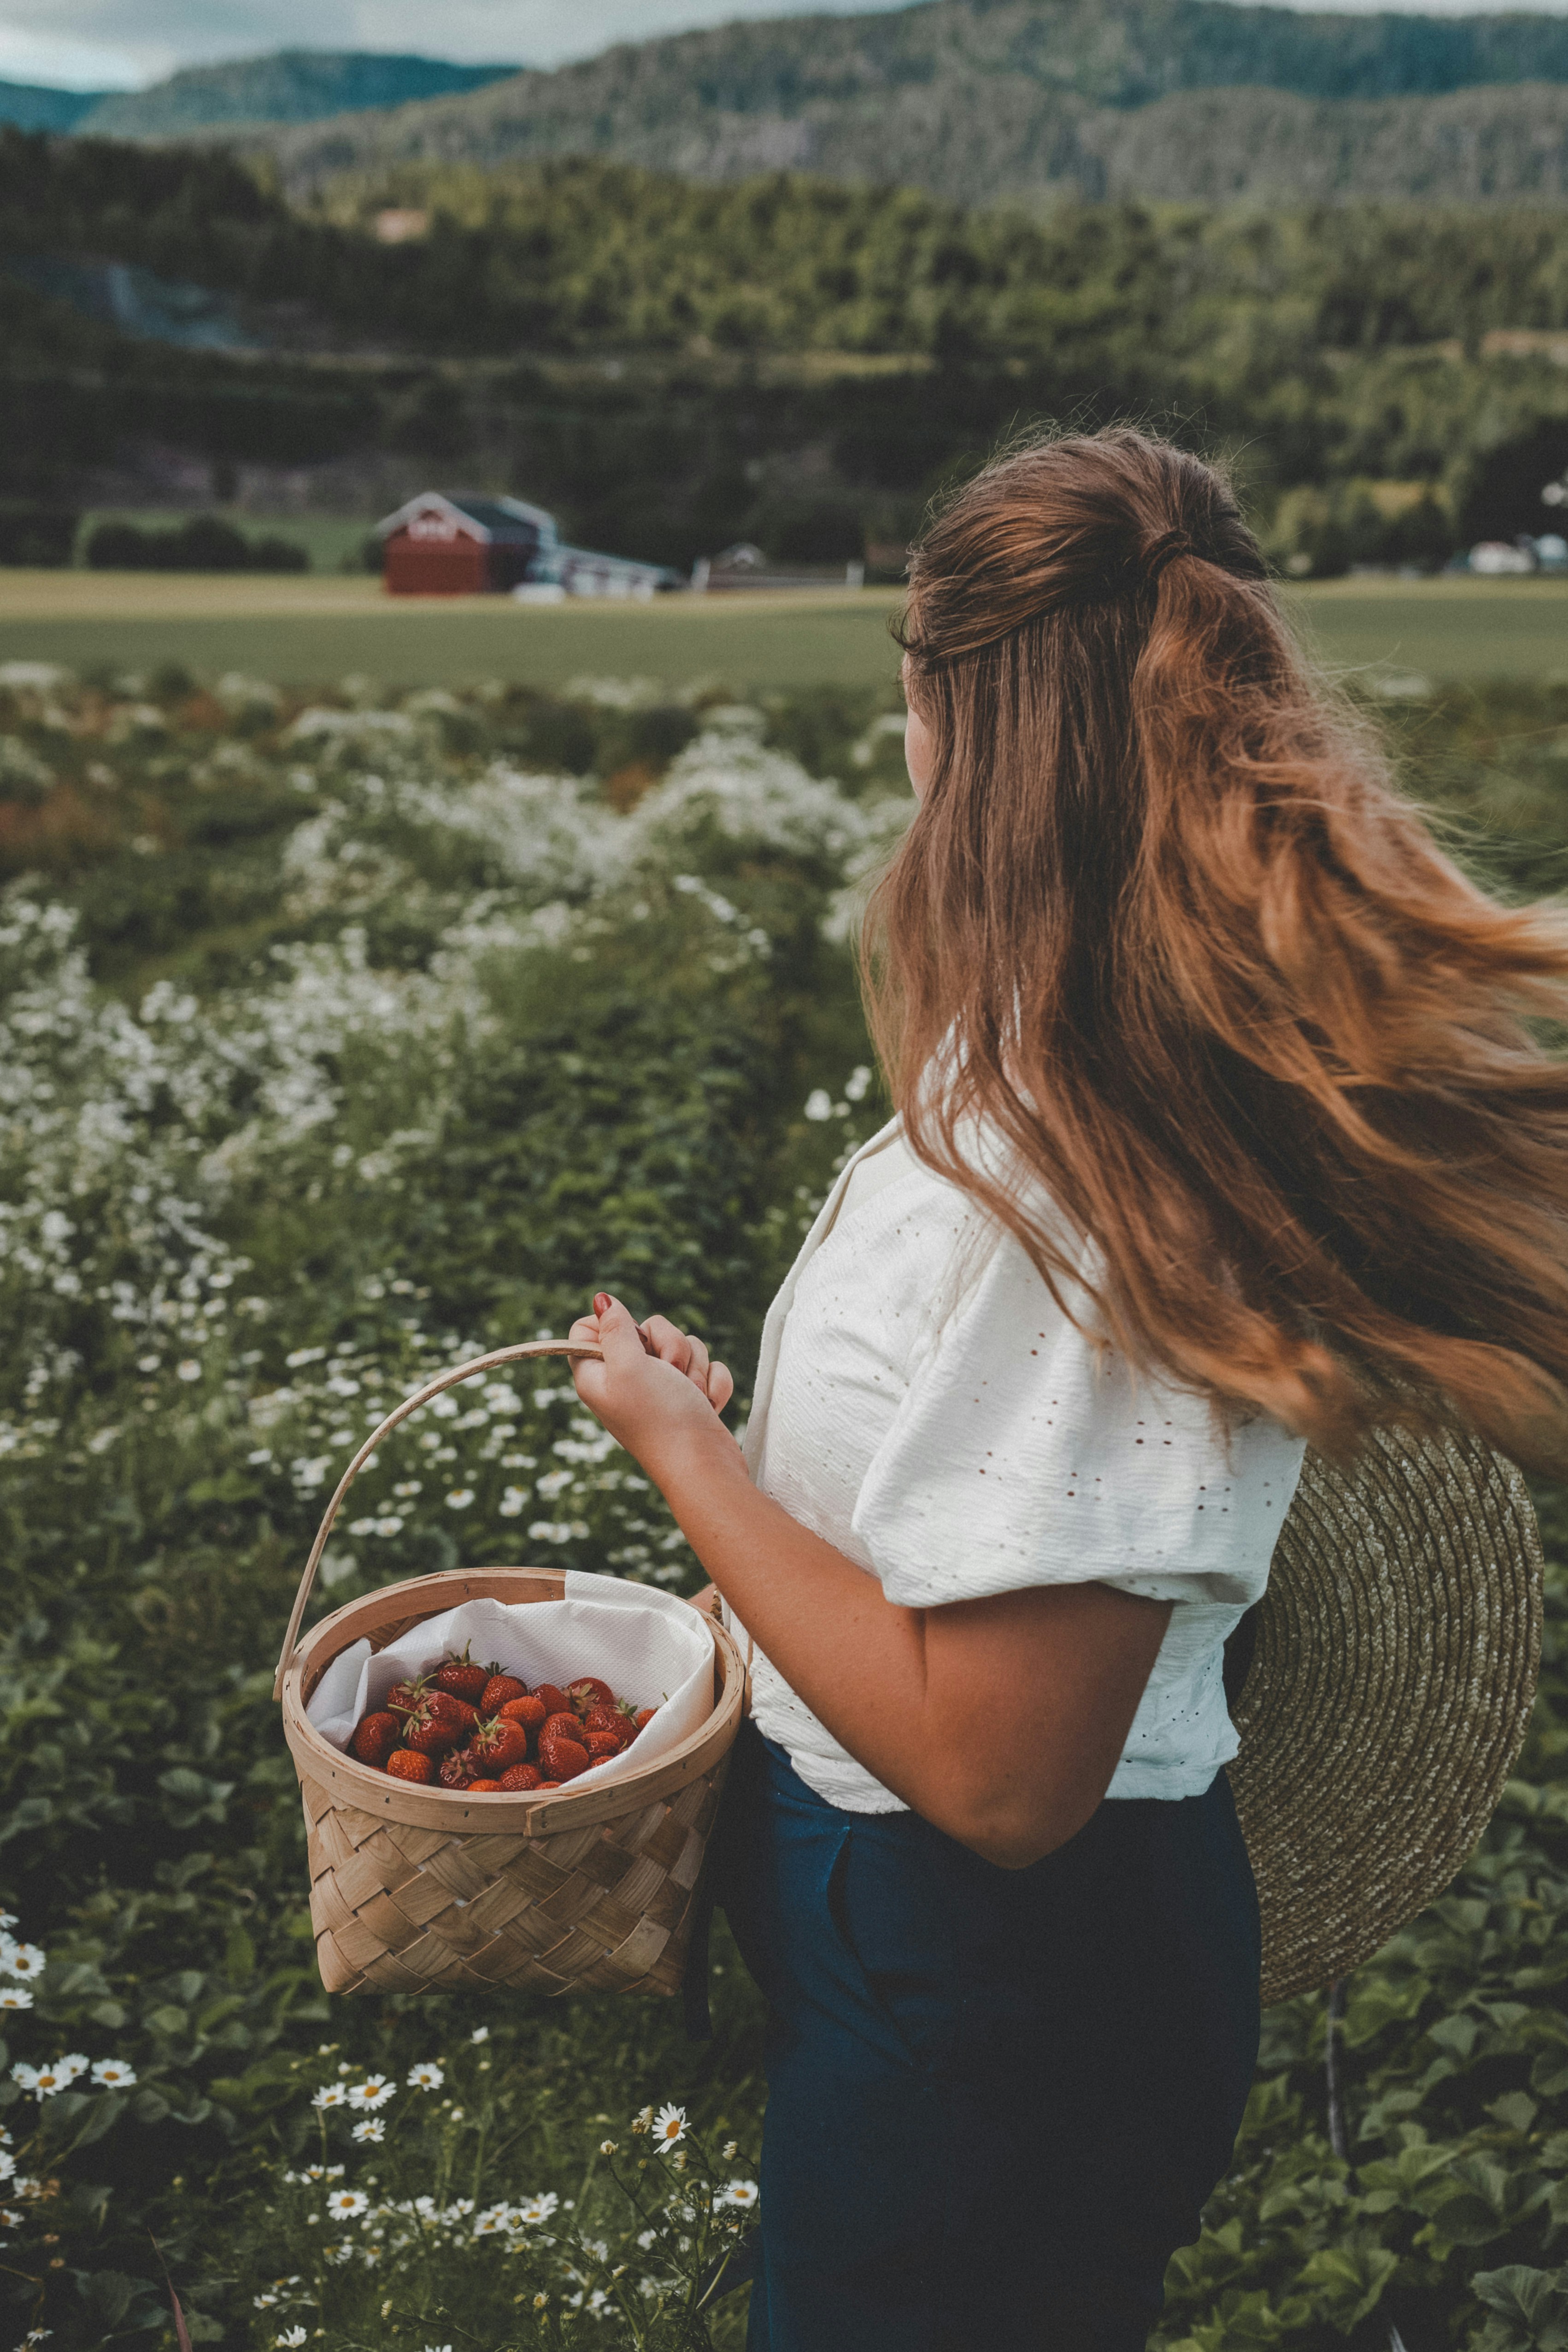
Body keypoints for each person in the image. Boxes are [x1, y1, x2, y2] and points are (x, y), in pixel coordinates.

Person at [568, 427, 1568, 2350]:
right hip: (951, 1959)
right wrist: (768, 1469)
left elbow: (999, 1776)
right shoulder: (1052, 1080)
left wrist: (687, 1456)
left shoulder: (1080, 1161)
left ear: (955, 719)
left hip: (980, 1961)